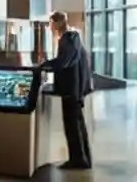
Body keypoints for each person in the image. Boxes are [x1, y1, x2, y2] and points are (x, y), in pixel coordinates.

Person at [39, 11, 93, 170]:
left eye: (50, 23)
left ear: (56, 23)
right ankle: (83, 158)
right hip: (75, 89)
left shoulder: (67, 39)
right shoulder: (73, 37)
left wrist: (45, 66)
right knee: (77, 124)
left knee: (72, 126)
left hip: (71, 89)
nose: (49, 27)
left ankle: (77, 159)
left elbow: (64, 62)